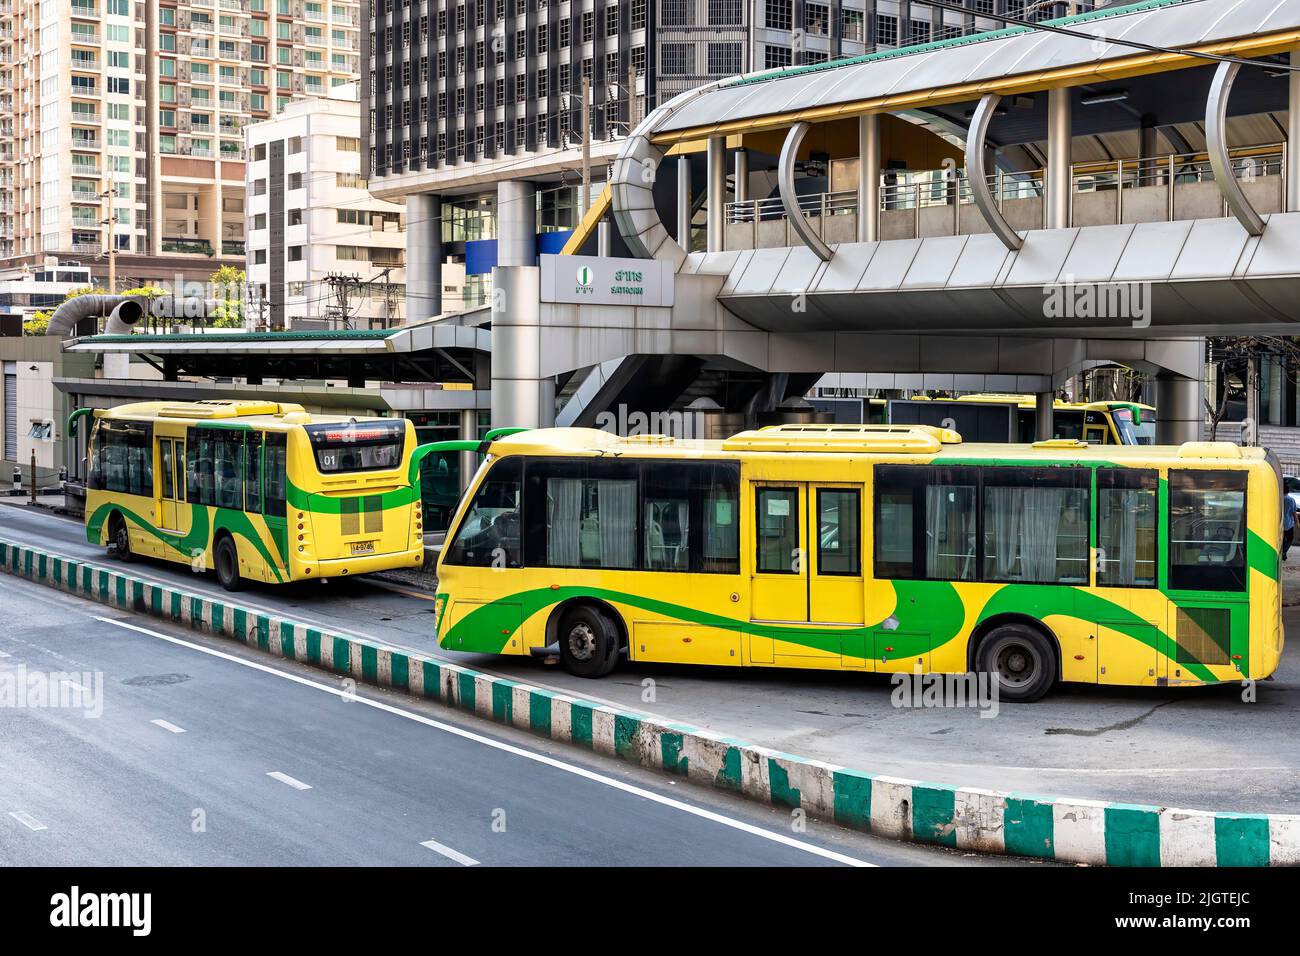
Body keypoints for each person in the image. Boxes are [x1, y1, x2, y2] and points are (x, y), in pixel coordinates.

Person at [1284, 493, 1296, 562]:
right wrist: (1297, 522)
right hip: (1288, 524)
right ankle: (1284, 551)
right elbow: (1294, 512)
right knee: (1290, 539)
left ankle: (1283, 553)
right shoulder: (1291, 500)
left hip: (1280, 523)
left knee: (1283, 539)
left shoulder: (1279, 499)